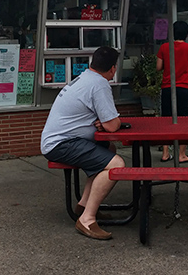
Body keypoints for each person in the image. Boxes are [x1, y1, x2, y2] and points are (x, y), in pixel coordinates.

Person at [40, 46, 126, 240]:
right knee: (116, 165)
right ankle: (87, 219)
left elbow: (102, 122)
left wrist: (101, 122)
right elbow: (112, 125)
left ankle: (84, 205)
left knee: (108, 149)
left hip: (57, 140)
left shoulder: (84, 78)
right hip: (62, 144)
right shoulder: (99, 84)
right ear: (113, 68)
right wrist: (111, 122)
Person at [156, 21, 188, 163]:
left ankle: (165, 153)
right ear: (187, 34)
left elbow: (158, 67)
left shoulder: (164, 47)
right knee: (185, 121)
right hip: (183, 88)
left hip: (167, 88)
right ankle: (182, 154)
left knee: (165, 120)